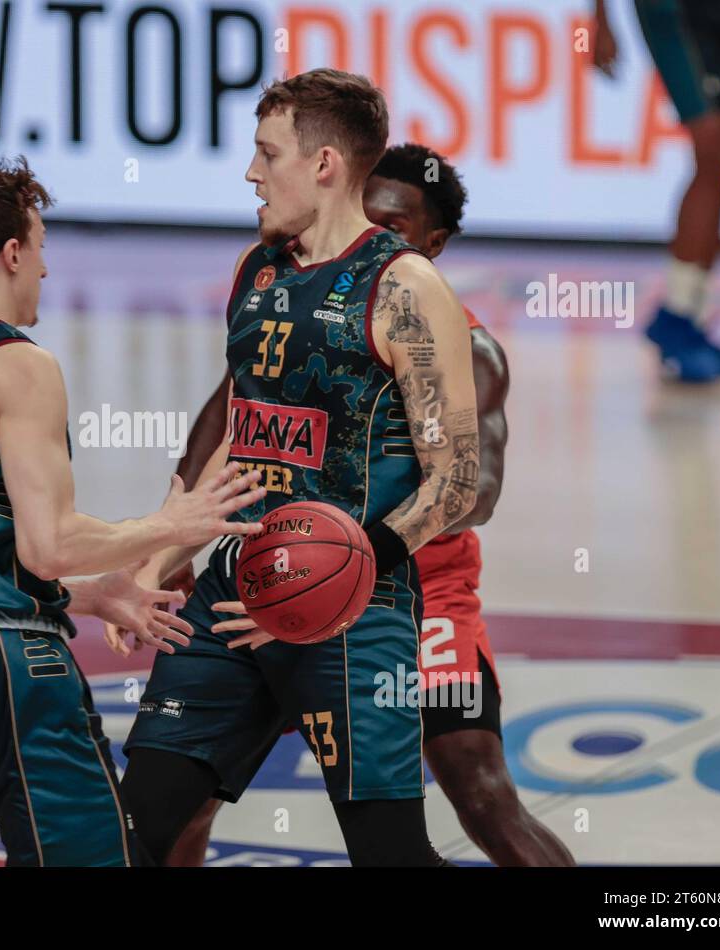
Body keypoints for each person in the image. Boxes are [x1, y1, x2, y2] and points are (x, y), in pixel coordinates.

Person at [151, 144, 574, 867]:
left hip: (414, 591)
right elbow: (227, 415)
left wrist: (347, 532)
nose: (371, 234)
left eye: (394, 224)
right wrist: (172, 544)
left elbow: (472, 493)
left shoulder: (465, 344)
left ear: (432, 244)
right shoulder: (292, 295)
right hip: (275, 574)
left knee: (480, 794)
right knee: (184, 805)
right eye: (364, 214)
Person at [111, 69, 481, 867]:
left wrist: (350, 565)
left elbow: (455, 480)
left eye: (266, 153)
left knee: (392, 856)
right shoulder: (258, 269)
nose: (251, 172)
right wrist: (154, 565)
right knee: (131, 831)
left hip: (354, 612)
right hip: (236, 594)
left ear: (323, 165)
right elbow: (238, 442)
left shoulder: (405, 287)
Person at [0, 158, 269, 866]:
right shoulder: (18, 363)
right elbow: (48, 546)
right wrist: (172, 527)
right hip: (11, 667)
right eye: (42, 248)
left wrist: (92, 596)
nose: (47, 271)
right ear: (12, 254)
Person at [593, 0, 720, 381]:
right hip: (677, 11)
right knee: (712, 144)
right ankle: (675, 315)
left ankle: (692, 318)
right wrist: (601, 18)